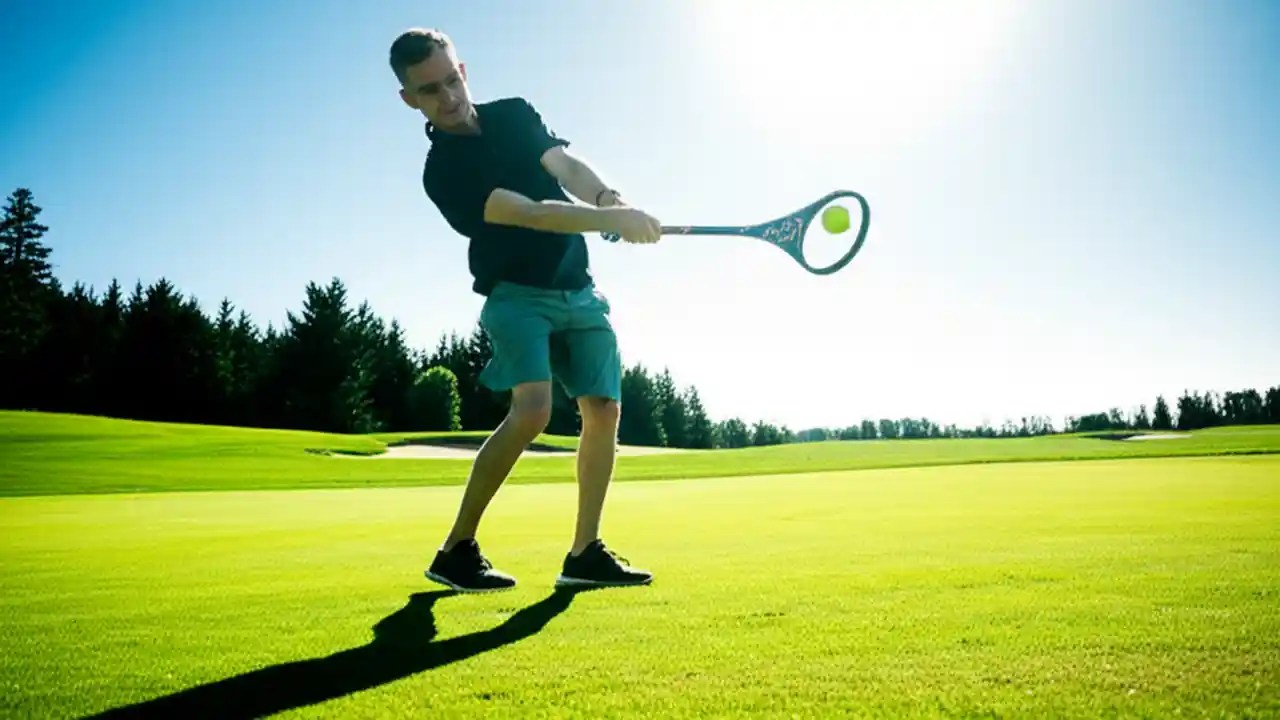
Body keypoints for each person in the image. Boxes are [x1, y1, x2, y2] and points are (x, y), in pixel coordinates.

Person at [389, 28, 661, 592]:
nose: (449, 96)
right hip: (515, 296)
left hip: (579, 288)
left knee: (604, 410)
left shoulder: (514, 113)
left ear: (463, 69)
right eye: (430, 89)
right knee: (533, 410)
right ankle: (456, 548)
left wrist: (612, 200)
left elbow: (565, 169)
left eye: (452, 79)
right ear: (409, 99)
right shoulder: (442, 173)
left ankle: (584, 554)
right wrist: (614, 223)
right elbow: (534, 212)